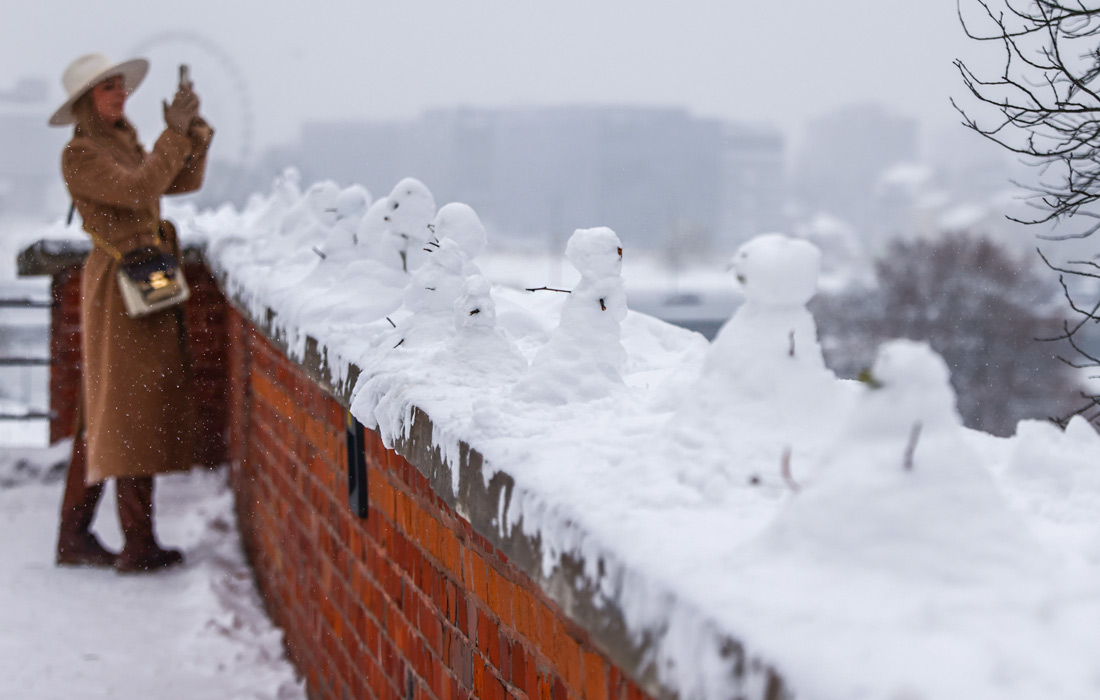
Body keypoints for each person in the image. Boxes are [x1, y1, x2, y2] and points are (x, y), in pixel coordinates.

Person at [48, 53, 213, 572]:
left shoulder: (122, 142)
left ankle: (74, 535)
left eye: (121, 87)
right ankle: (138, 544)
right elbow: (140, 188)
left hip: (141, 278)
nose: (120, 95)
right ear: (85, 103)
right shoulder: (81, 152)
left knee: (105, 416)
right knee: (128, 413)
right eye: (107, 89)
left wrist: (194, 134)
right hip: (121, 285)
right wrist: (172, 134)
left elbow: (176, 182)